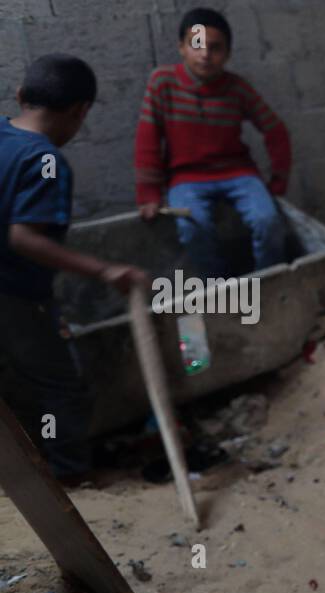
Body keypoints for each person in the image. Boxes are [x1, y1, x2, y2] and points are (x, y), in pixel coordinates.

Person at [0, 54, 148, 483]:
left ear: (20, 95)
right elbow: (24, 238)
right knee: (62, 387)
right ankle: (69, 478)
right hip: (16, 296)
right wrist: (106, 271)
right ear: (80, 111)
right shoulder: (45, 162)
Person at [135, 7, 291, 276]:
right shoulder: (162, 83)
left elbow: (275, 130)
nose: (205, 54)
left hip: (238, 173)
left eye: (215, 47)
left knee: (268, 220)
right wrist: (149, 194)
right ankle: (217, 289)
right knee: (192, 227)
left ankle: (269, 282)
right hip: (186, 178)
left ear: (227, 53)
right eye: (196, 45)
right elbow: (147, 139)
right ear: (182, 47)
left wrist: (278, 179)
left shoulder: (237, 88)